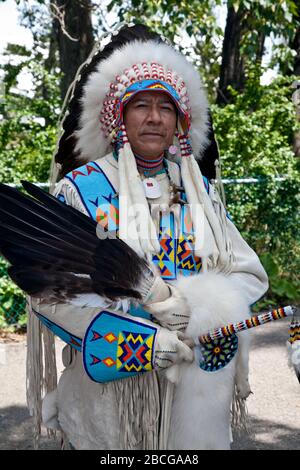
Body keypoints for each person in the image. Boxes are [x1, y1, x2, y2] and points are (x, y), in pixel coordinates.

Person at [26, 24, 268, 450]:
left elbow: (248, 276)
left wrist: (201, 309)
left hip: (191, 388)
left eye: (165, 107)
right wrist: (143, 336)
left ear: (178, 121)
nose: (154, 117)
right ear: (120, 116)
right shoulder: (82, 189)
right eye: (141, 105)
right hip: (111, 399)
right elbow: (47, 295)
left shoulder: (200, 193)